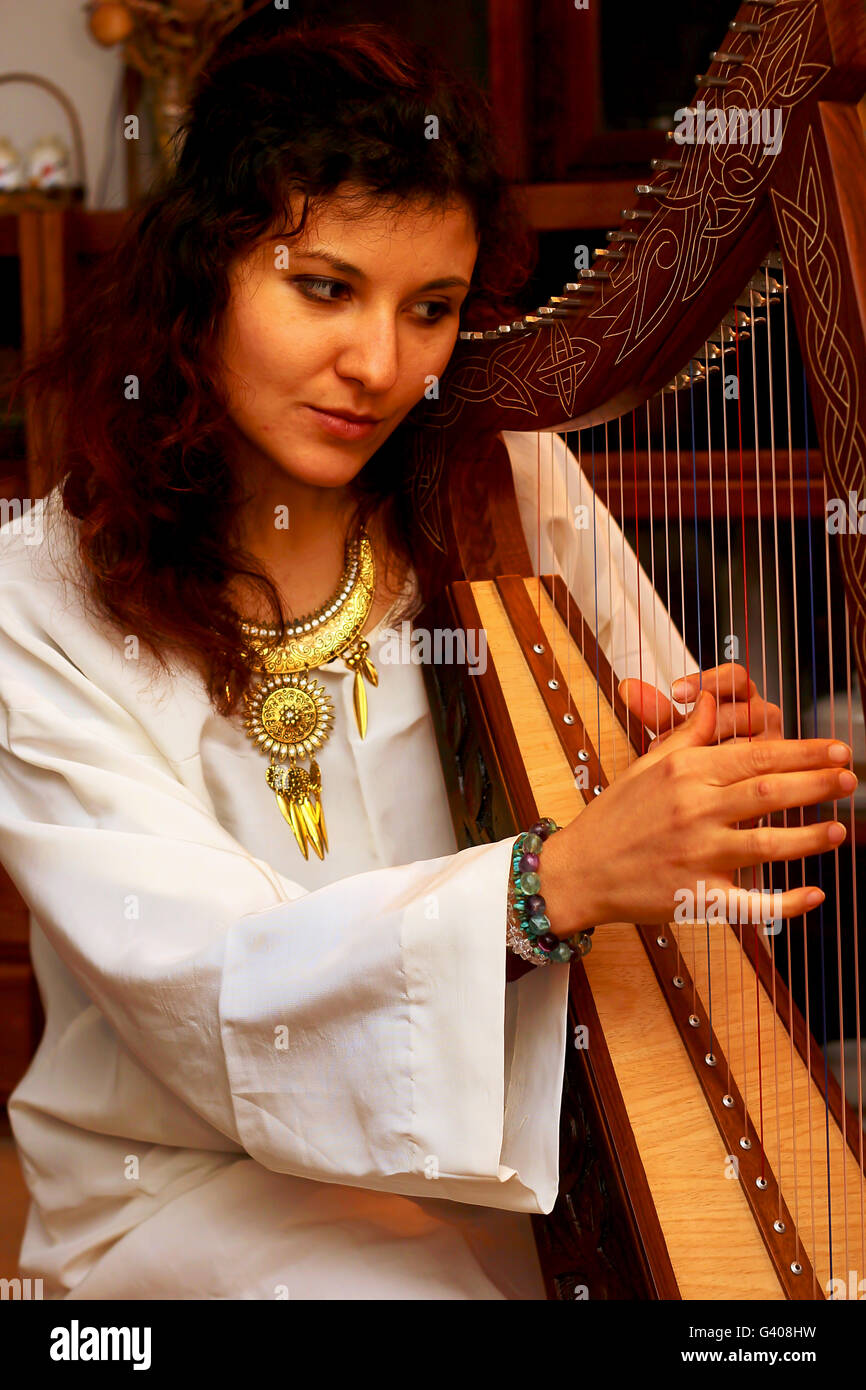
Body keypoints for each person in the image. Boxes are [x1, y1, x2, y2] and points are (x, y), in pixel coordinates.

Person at [0, 22, 853, 1301]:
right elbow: (205, 987)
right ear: (202, 273)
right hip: (191, 1187)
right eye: (325, 289)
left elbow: (664, 842)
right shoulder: (38, 597)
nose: (381, 367)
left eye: (434, 309)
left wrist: (689, 764)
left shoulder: (495, 479)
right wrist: (545, 879)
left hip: (511, 1148)